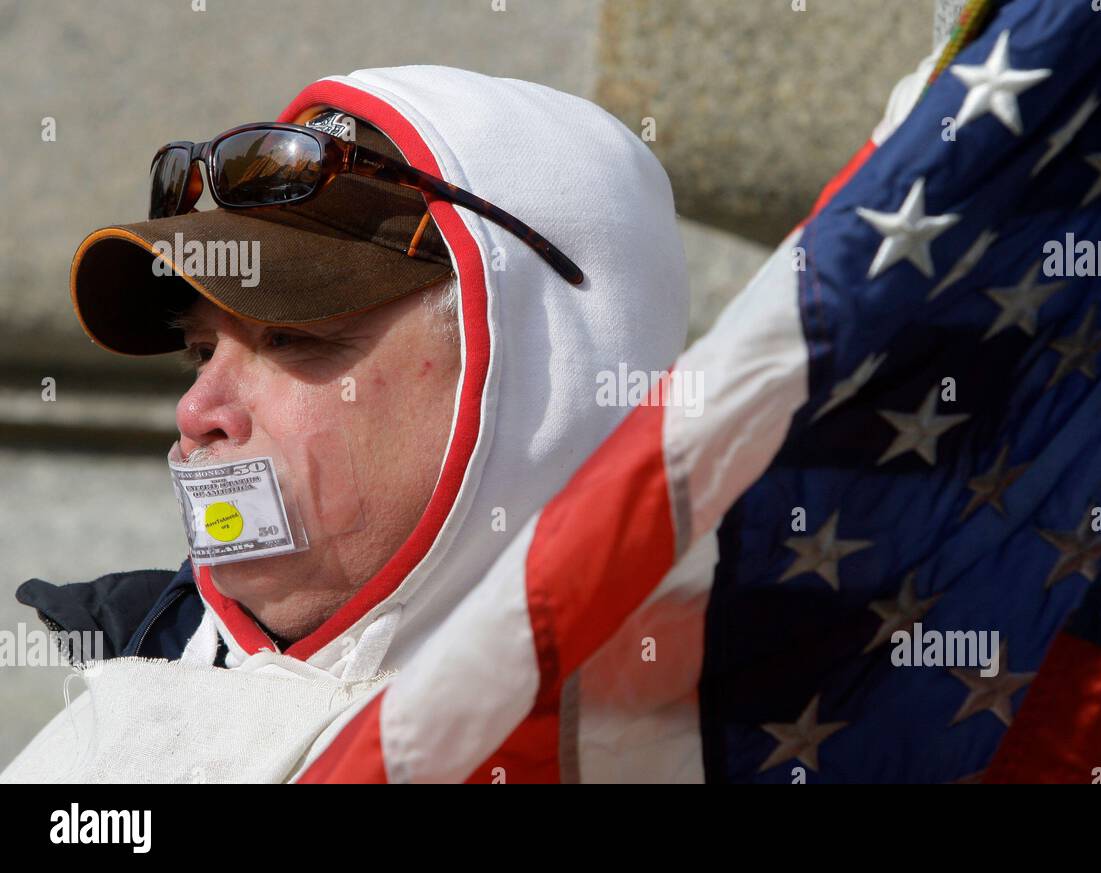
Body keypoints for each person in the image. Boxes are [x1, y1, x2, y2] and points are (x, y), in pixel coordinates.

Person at [2, 65, 688, 782]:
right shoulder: (109, 702)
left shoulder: (706, 739)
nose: (196, 412)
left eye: (289, 339)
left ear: (535, 377)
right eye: (202, 352)